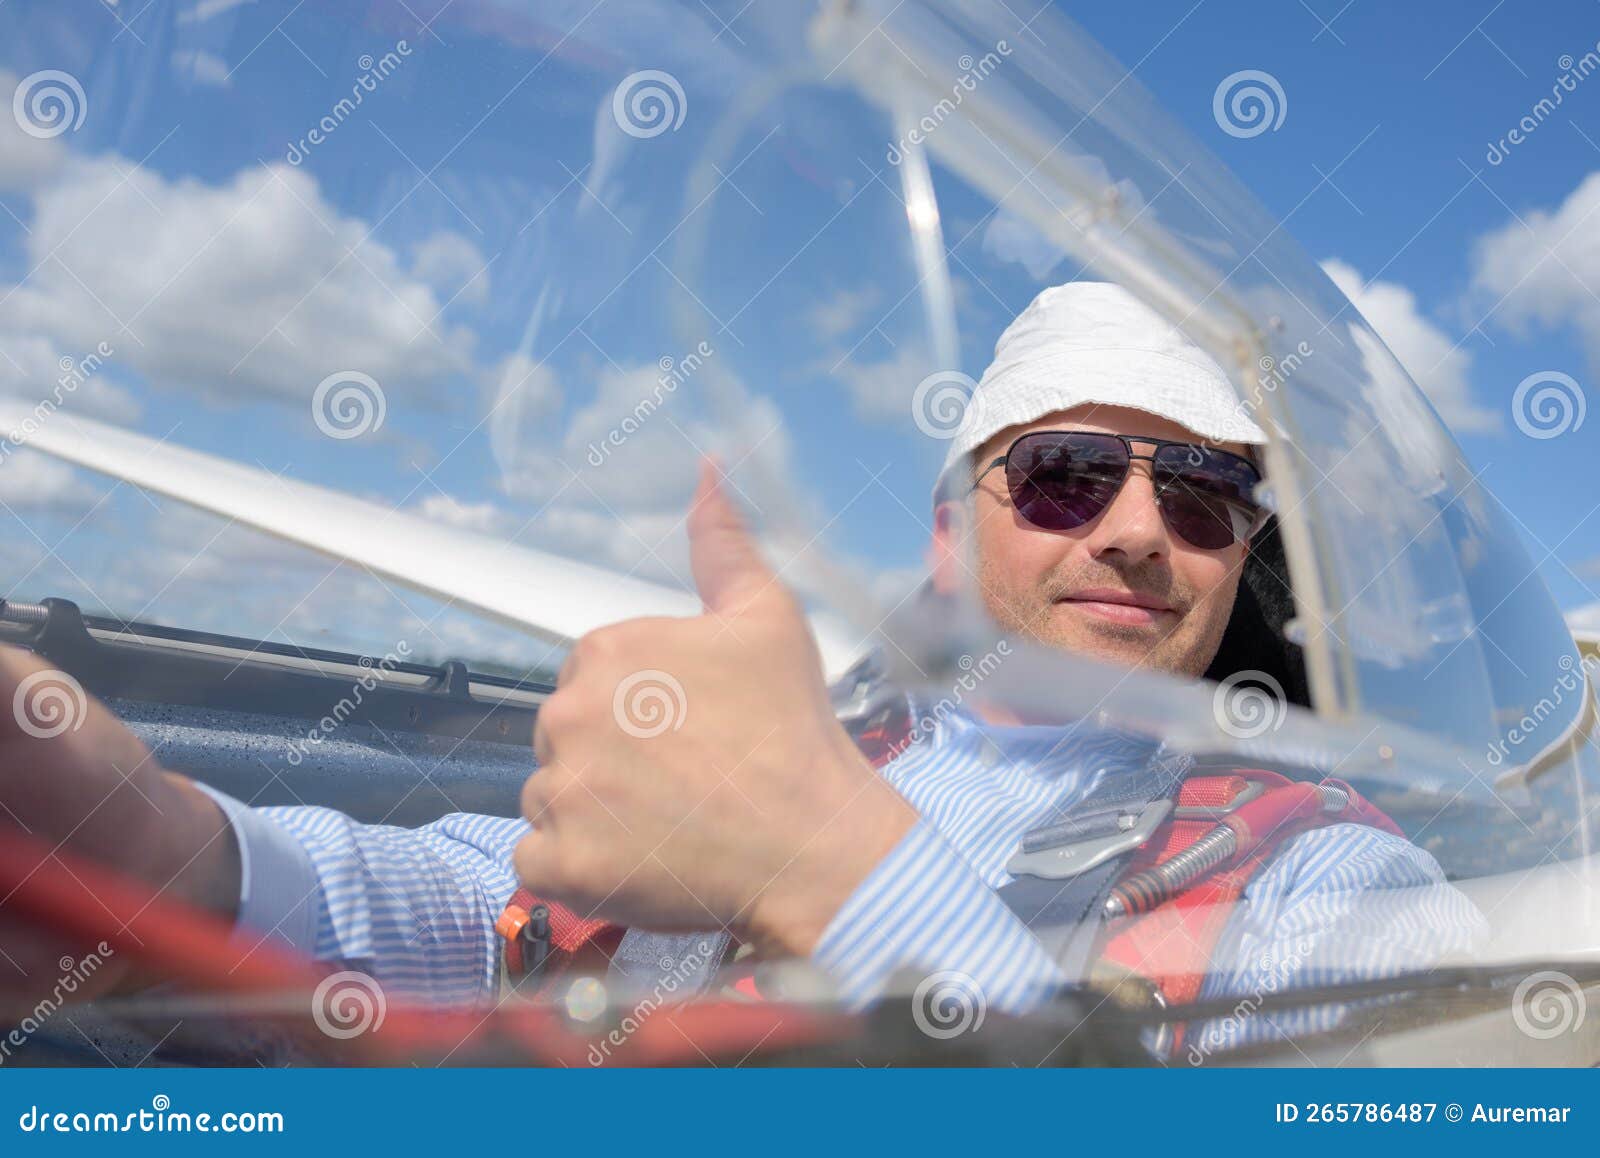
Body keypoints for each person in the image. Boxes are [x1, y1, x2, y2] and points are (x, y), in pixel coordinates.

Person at [0, 282, 1484, 1056]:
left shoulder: (1332, 891)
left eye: (1209, 495)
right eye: (1068, 471)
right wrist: (156, 844)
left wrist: (841, 875)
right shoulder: (806, 739)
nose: (1144, 530)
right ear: (947, 542)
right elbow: (478, 911)